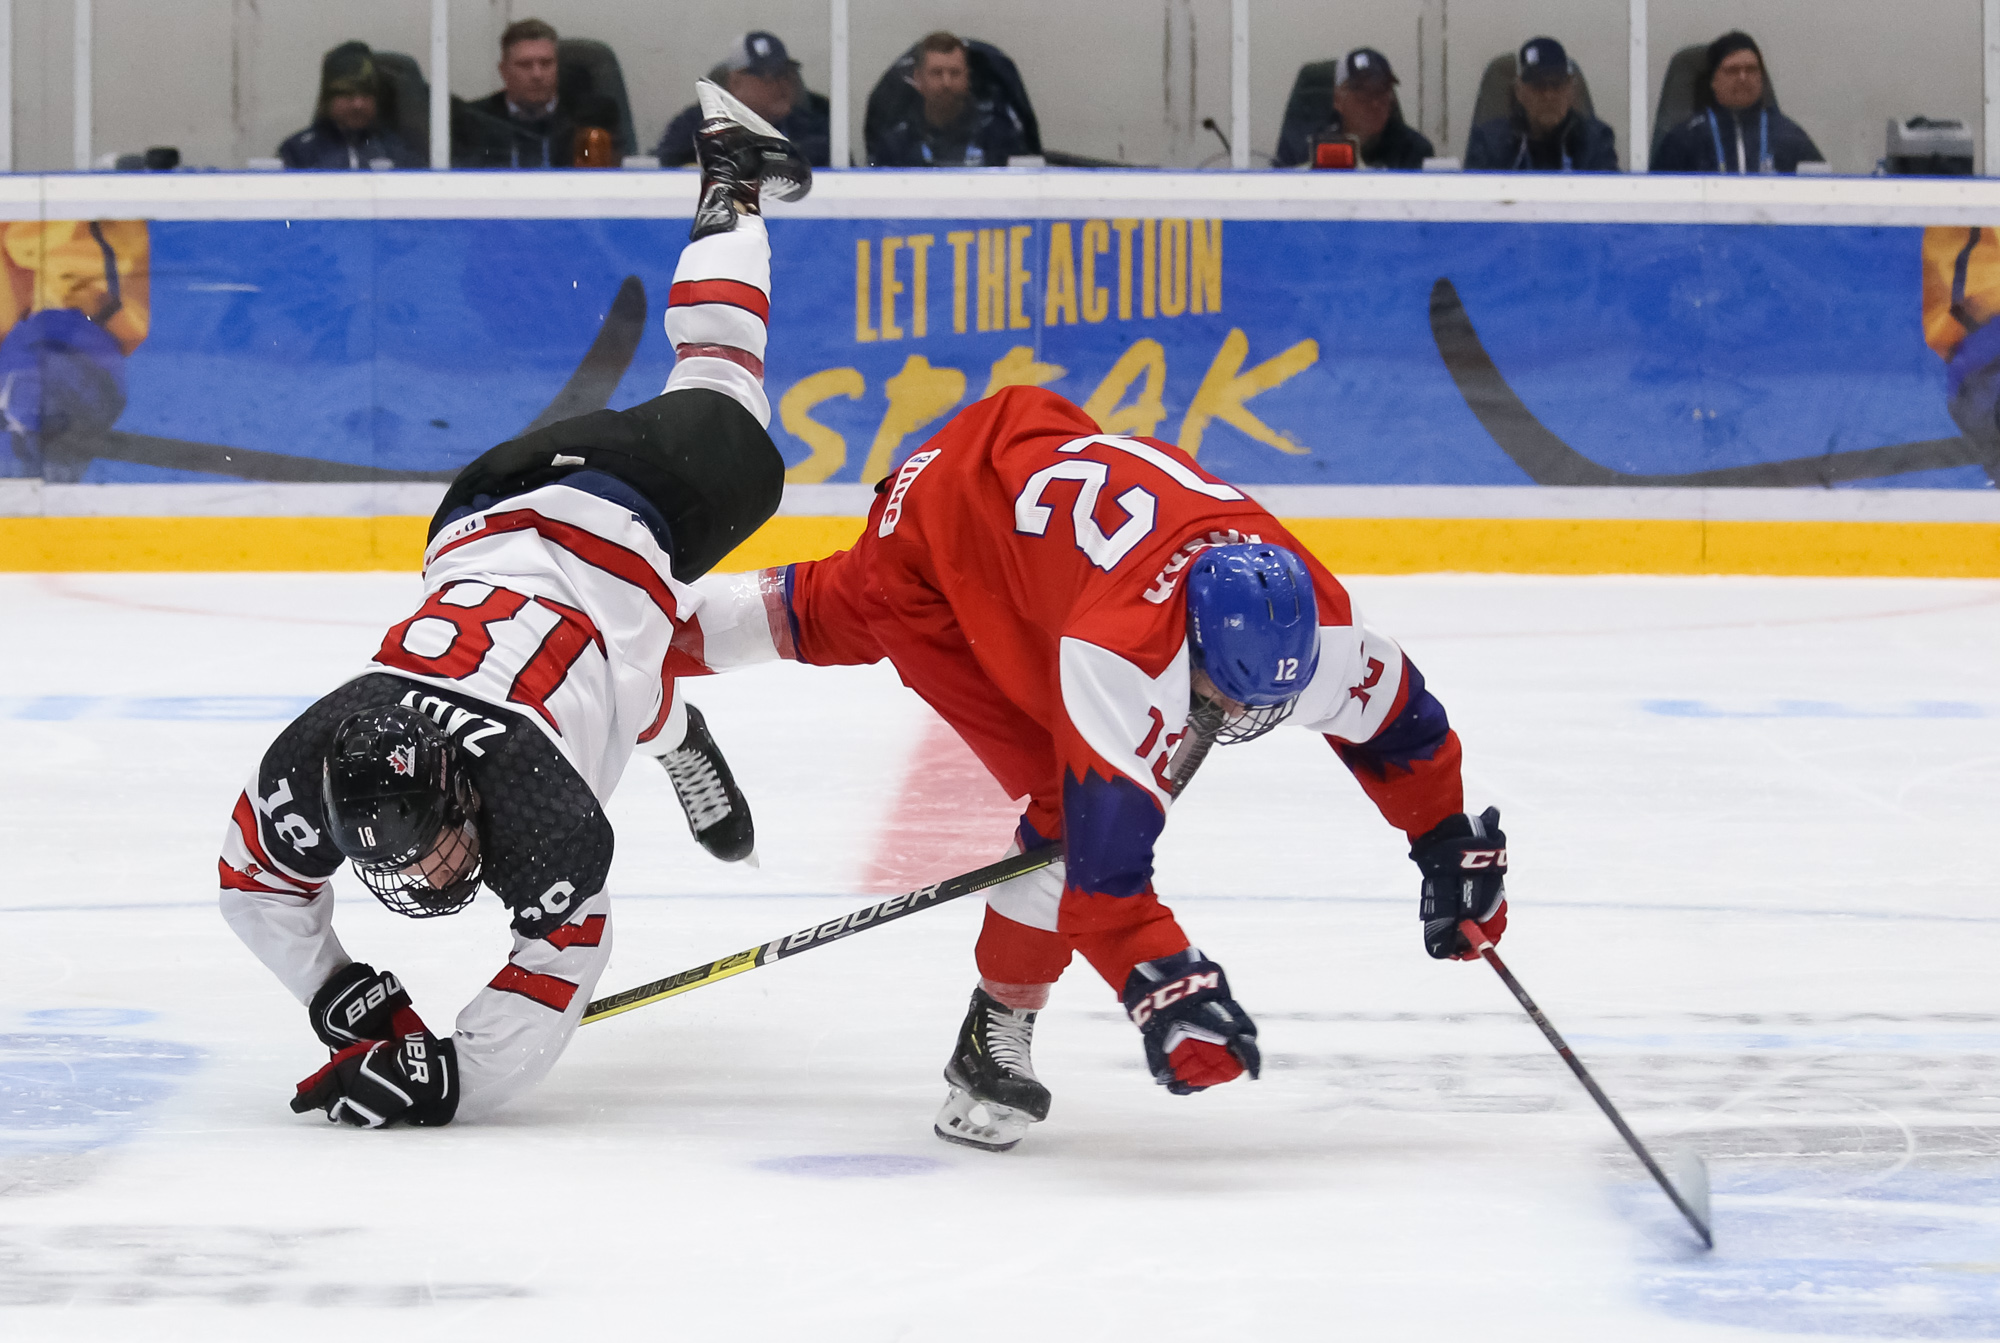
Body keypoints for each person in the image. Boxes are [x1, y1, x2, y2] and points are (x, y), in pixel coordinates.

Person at [219, 81, 812, 1129]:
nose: (425, 873)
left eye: (432, 843)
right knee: (623, 665)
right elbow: (251, 877)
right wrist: (345, 996)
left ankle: (736, 179)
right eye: (399, 859)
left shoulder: (541, 811)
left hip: (631, 507)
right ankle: (670, 725)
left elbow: (565, 956)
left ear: (463, 786)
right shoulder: (312, 757)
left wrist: (453, 1076)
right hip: (482, 504)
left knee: (723, 383)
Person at [683, 404, 1510, 1153]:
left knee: (832, 603)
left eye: (1260, 700)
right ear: (1188, 639)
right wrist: (1168, 987)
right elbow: (1102, 875)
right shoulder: (1123, 652)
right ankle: (993, 1034)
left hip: (1009, 450)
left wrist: (1444, 837)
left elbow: (1403, 726)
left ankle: (630, 637)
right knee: (1060, 803)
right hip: (938, 548)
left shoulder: (1312, 618)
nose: (1233, 713)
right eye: (1220, 692)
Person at [451, 18, 619, 169]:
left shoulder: (591, 117)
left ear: (557, 67)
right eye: (525, 65)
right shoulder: (475, 120)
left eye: (546, 63)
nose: (537, 75)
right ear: (503, 71)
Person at [1652, 32, 1823, 175]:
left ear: (1761, 78)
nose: (1743, 78)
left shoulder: (1790, 136)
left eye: (1751, 70)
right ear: (1713, 81)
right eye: (1732, 70)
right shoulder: (1684, 139)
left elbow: (1821, 192)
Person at [655, 32, 830, 169]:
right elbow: (671, 160)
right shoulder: (698, 122)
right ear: (735, 83)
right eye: (768, 76)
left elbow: (828, 153)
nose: (780, 84)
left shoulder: (815, 117)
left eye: (786, 74)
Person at [867, 31, 1027, 168]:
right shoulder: (894, 145)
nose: (947, 83)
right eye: (937, 73)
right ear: (918, 78)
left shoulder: (1000, 137)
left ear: (967, 77)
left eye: (955, 73)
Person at [1465, 36, 1618, 172]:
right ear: (1519, 91)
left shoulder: (1596, 141)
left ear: (1571, 90)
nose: (1548, 95)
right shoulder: (1489, 142)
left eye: (1557, 84)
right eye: (1538, 85)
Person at [1274, 48, 1435, 170]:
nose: (1375, 103)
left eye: (1382, 91)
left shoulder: (1414, 150)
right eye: (1363, 93)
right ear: (1338, 100)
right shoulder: (1305, 146)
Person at [278, 42, 425, 171]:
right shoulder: (298, 152)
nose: (358, 104)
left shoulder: (398, 152)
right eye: (347, 94)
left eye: (366, 94)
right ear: (327, 99)